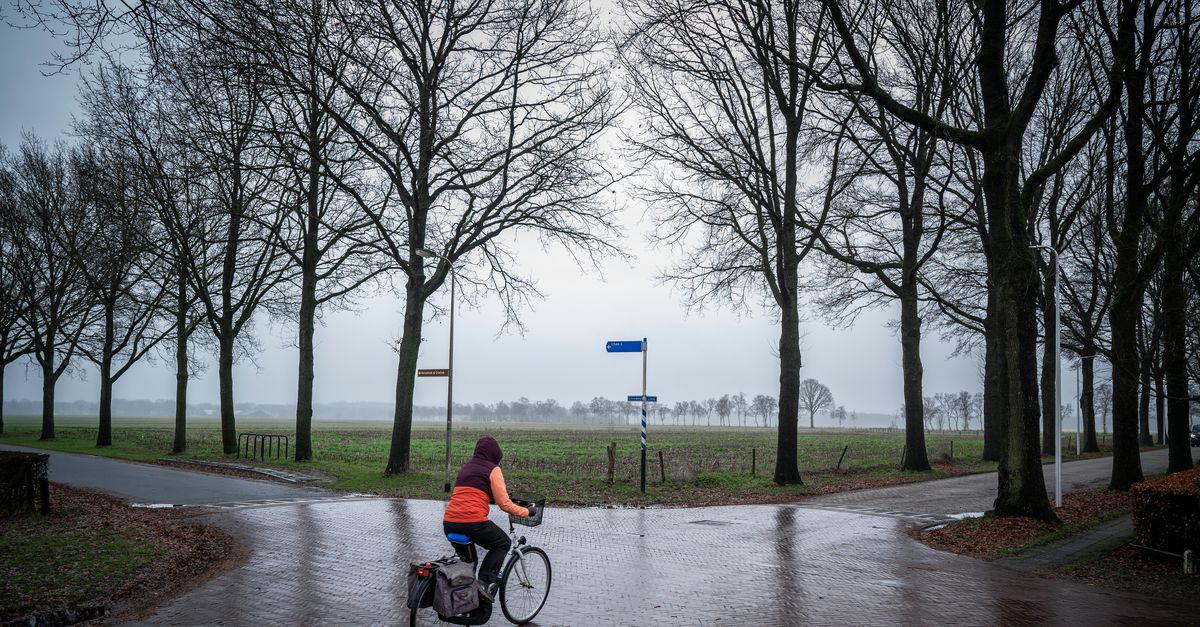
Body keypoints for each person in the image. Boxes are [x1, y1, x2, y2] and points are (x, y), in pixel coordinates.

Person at [443, 436, 532, 602]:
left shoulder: (466, 467)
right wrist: (526, 512)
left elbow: (472, 492)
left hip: (449, 522)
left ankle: (462, 601)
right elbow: (504, 504)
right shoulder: (493, 470)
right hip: (472, 523)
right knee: (502, 543)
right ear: (496, 454)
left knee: (469, 563)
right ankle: (483, 584)